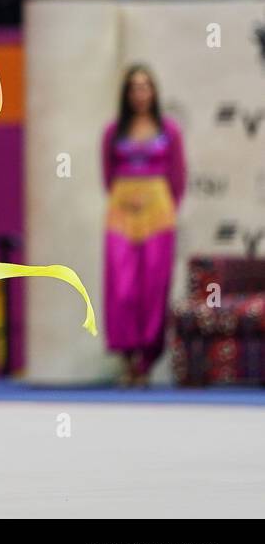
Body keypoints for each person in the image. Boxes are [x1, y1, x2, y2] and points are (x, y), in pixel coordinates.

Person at [101, 65, 187, 387]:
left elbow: (178, 176)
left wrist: (160, 206)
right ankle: (126, 358)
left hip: (159, 214)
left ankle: (146, 362)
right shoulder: (113, 132)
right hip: (121, 212)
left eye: (145, 86)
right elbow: (107, 175)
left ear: (154, 91)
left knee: (153, 287)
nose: (140, 93)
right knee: (121, 288)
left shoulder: (170, 130)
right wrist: (126, 198)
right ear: (126, 93)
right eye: (134, 87)